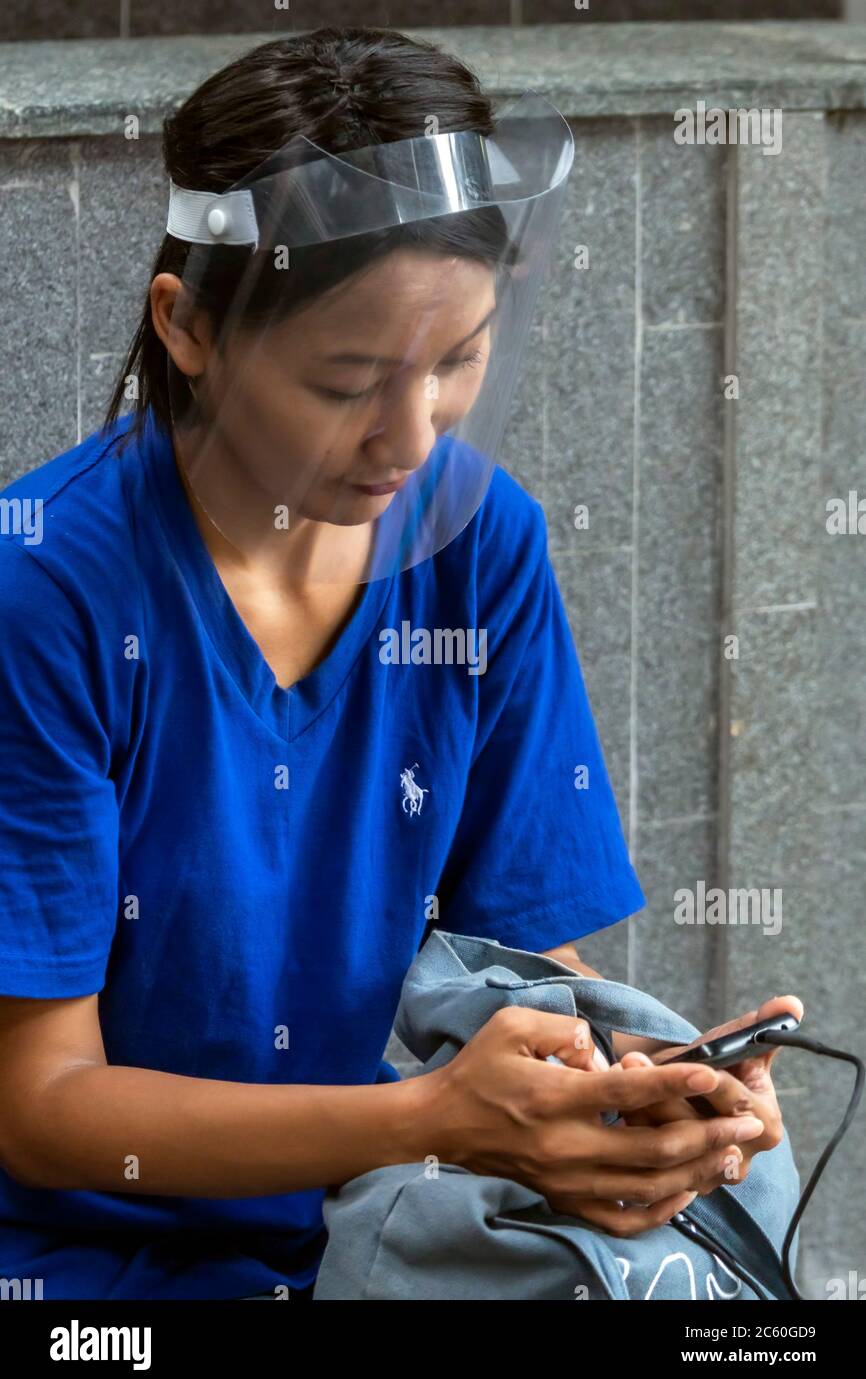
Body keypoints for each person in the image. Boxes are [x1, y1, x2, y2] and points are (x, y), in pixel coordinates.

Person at [0, 26, 800, 1302]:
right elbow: (40, 1106)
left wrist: (635, 1086)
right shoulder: (44, 589)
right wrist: (434, 1119)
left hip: (390, 1228)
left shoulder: (481, 544)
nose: (412, 437)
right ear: (189, 327)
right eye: (350, 380)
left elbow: (506, 972)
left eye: (458, 361)